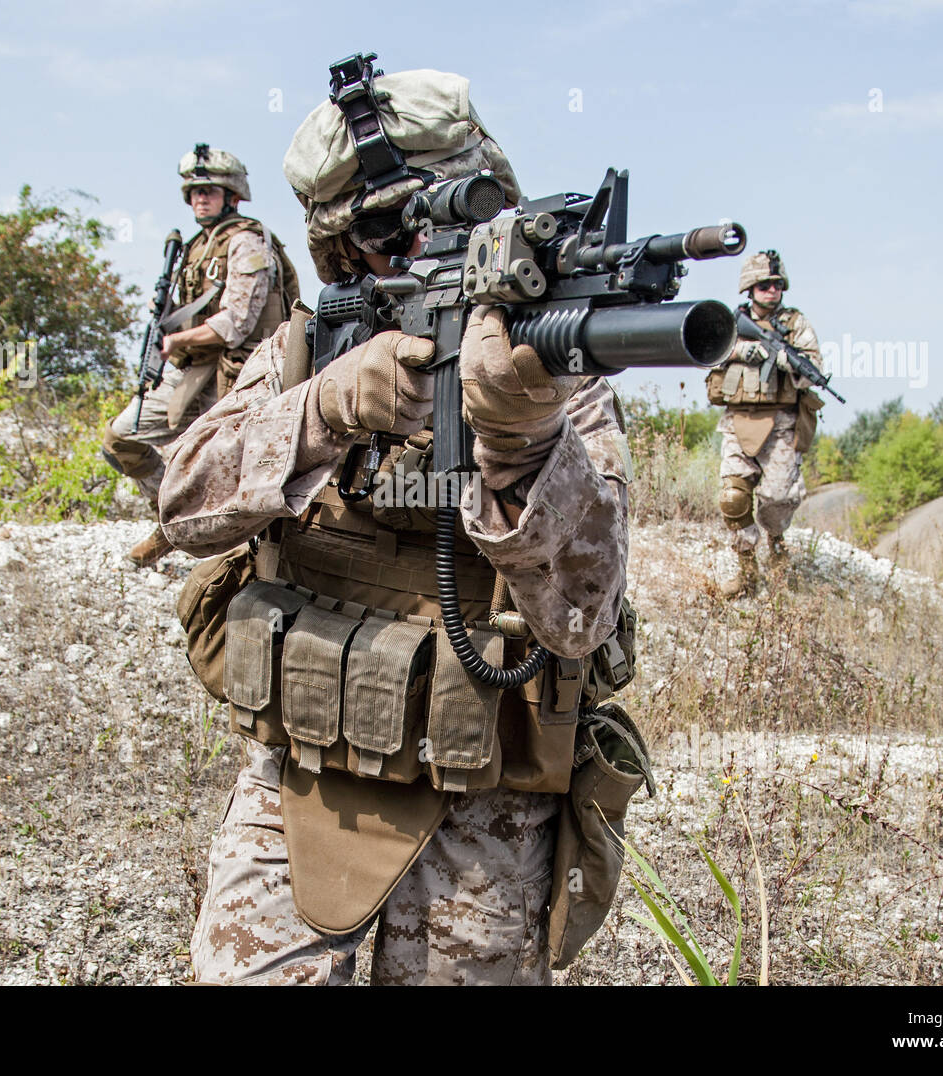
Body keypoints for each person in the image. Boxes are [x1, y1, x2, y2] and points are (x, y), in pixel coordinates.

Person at [159, 61, 636, 985]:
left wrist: (524, 436)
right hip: (304, 766)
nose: (417, 246)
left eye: (446, 218)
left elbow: (582, 613)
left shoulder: (558, 373)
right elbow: (184, 503)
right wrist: (326, 406)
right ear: (344, 247)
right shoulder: (309, 345)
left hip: (487, 790)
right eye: (387, 231)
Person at [102, 145, 297, 568]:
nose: (199, 198)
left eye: (209, 190)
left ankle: (244, 557)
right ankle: (170, 521)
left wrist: (177, 340)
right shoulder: (194, 247)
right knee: (121, 438)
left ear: (233, 194)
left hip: (243, 373)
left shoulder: (246, 242)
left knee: (240, 474)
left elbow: (235, 324)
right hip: (192, 371)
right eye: (193, 191)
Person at [706, 250, 824, 597]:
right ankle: (746, 571)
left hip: (782, 424)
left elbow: (813, 366)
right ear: (750, 287)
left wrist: (787, 360)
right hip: (736, 422)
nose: (771, 291)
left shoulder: (796, 323)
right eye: (763, 285)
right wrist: (741, 351)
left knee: (776, 499)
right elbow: (703, 352)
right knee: (732, 498)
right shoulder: (729, 322)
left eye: (776, 285)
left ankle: (776, 542)